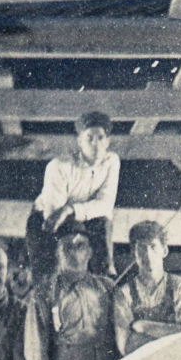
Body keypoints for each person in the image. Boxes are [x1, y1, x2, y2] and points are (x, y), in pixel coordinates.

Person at [24, 223, 118, 360]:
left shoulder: (108, 289)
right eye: (68, 246)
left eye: (81, 245)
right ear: (58, 252)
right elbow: (35, 348)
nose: (75, 251)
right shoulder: (43, 294)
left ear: (90, 252)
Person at [26, 110, 119, 279]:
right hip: (47, 220)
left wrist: (70, 209)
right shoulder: (59, 166)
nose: (96, 145)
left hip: (79, 215)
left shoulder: (112, 162)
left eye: (100, 138)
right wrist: (70, 214)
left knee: (104, 223)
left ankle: (105, 278)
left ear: (108, 142)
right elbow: (53, 216)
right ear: (79, 142)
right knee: (51, 275)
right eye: (89, 138)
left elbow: (105, 204)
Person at [113, 221, 181, 355]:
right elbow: (126, 345)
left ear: (164, 250)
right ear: (133, 253)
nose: (148, 254)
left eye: (153, 246)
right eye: (141, 248)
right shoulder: (124, 294)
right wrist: (171, 332)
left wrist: (144, 326)